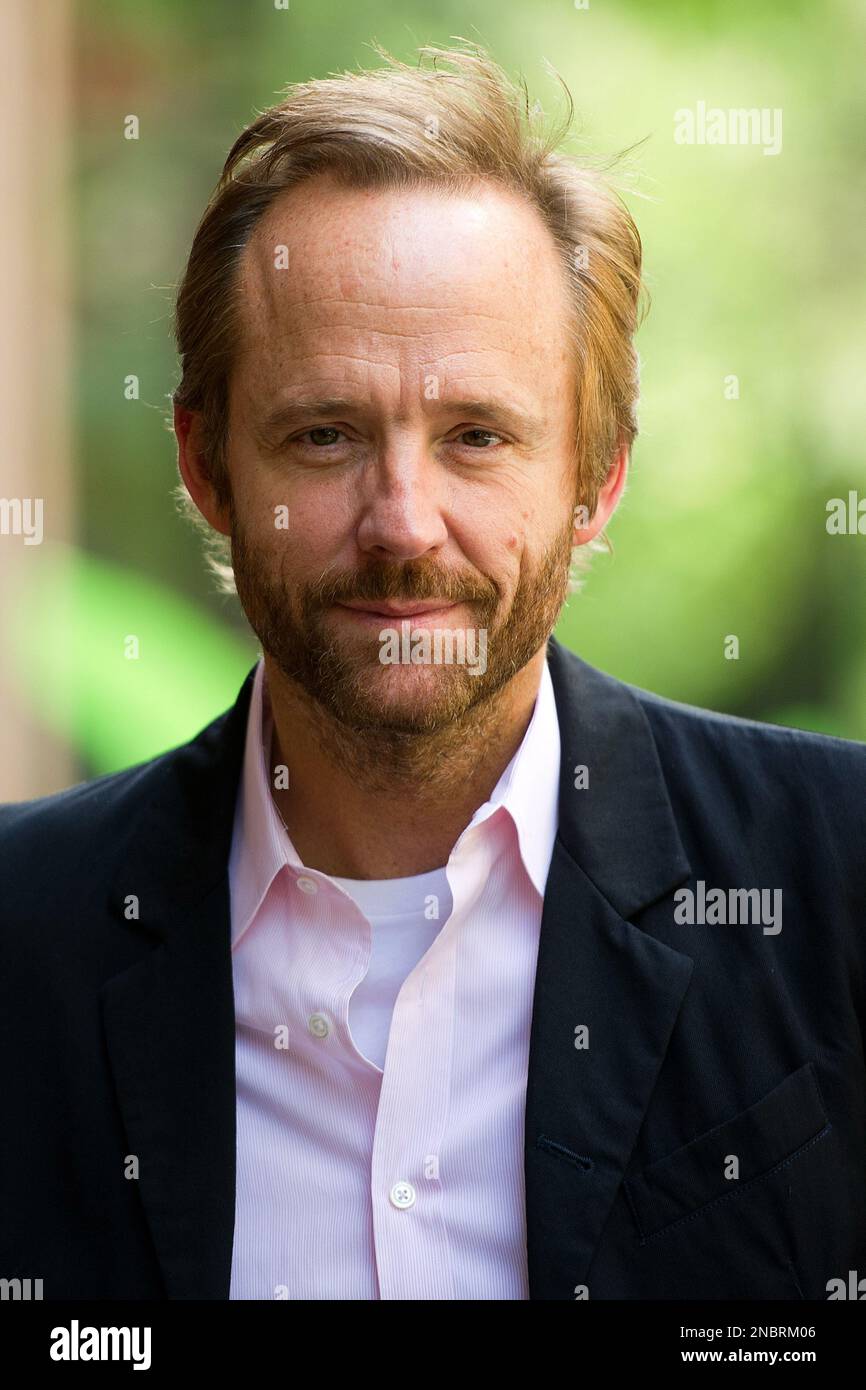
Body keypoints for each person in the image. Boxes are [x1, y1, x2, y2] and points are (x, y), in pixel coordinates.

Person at [1, 44, 864, 1302]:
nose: (402, 521)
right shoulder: (22, 942)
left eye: (476, 436)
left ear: (594, 478)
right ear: (208, 465)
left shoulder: (833, 876)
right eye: (324, 434)